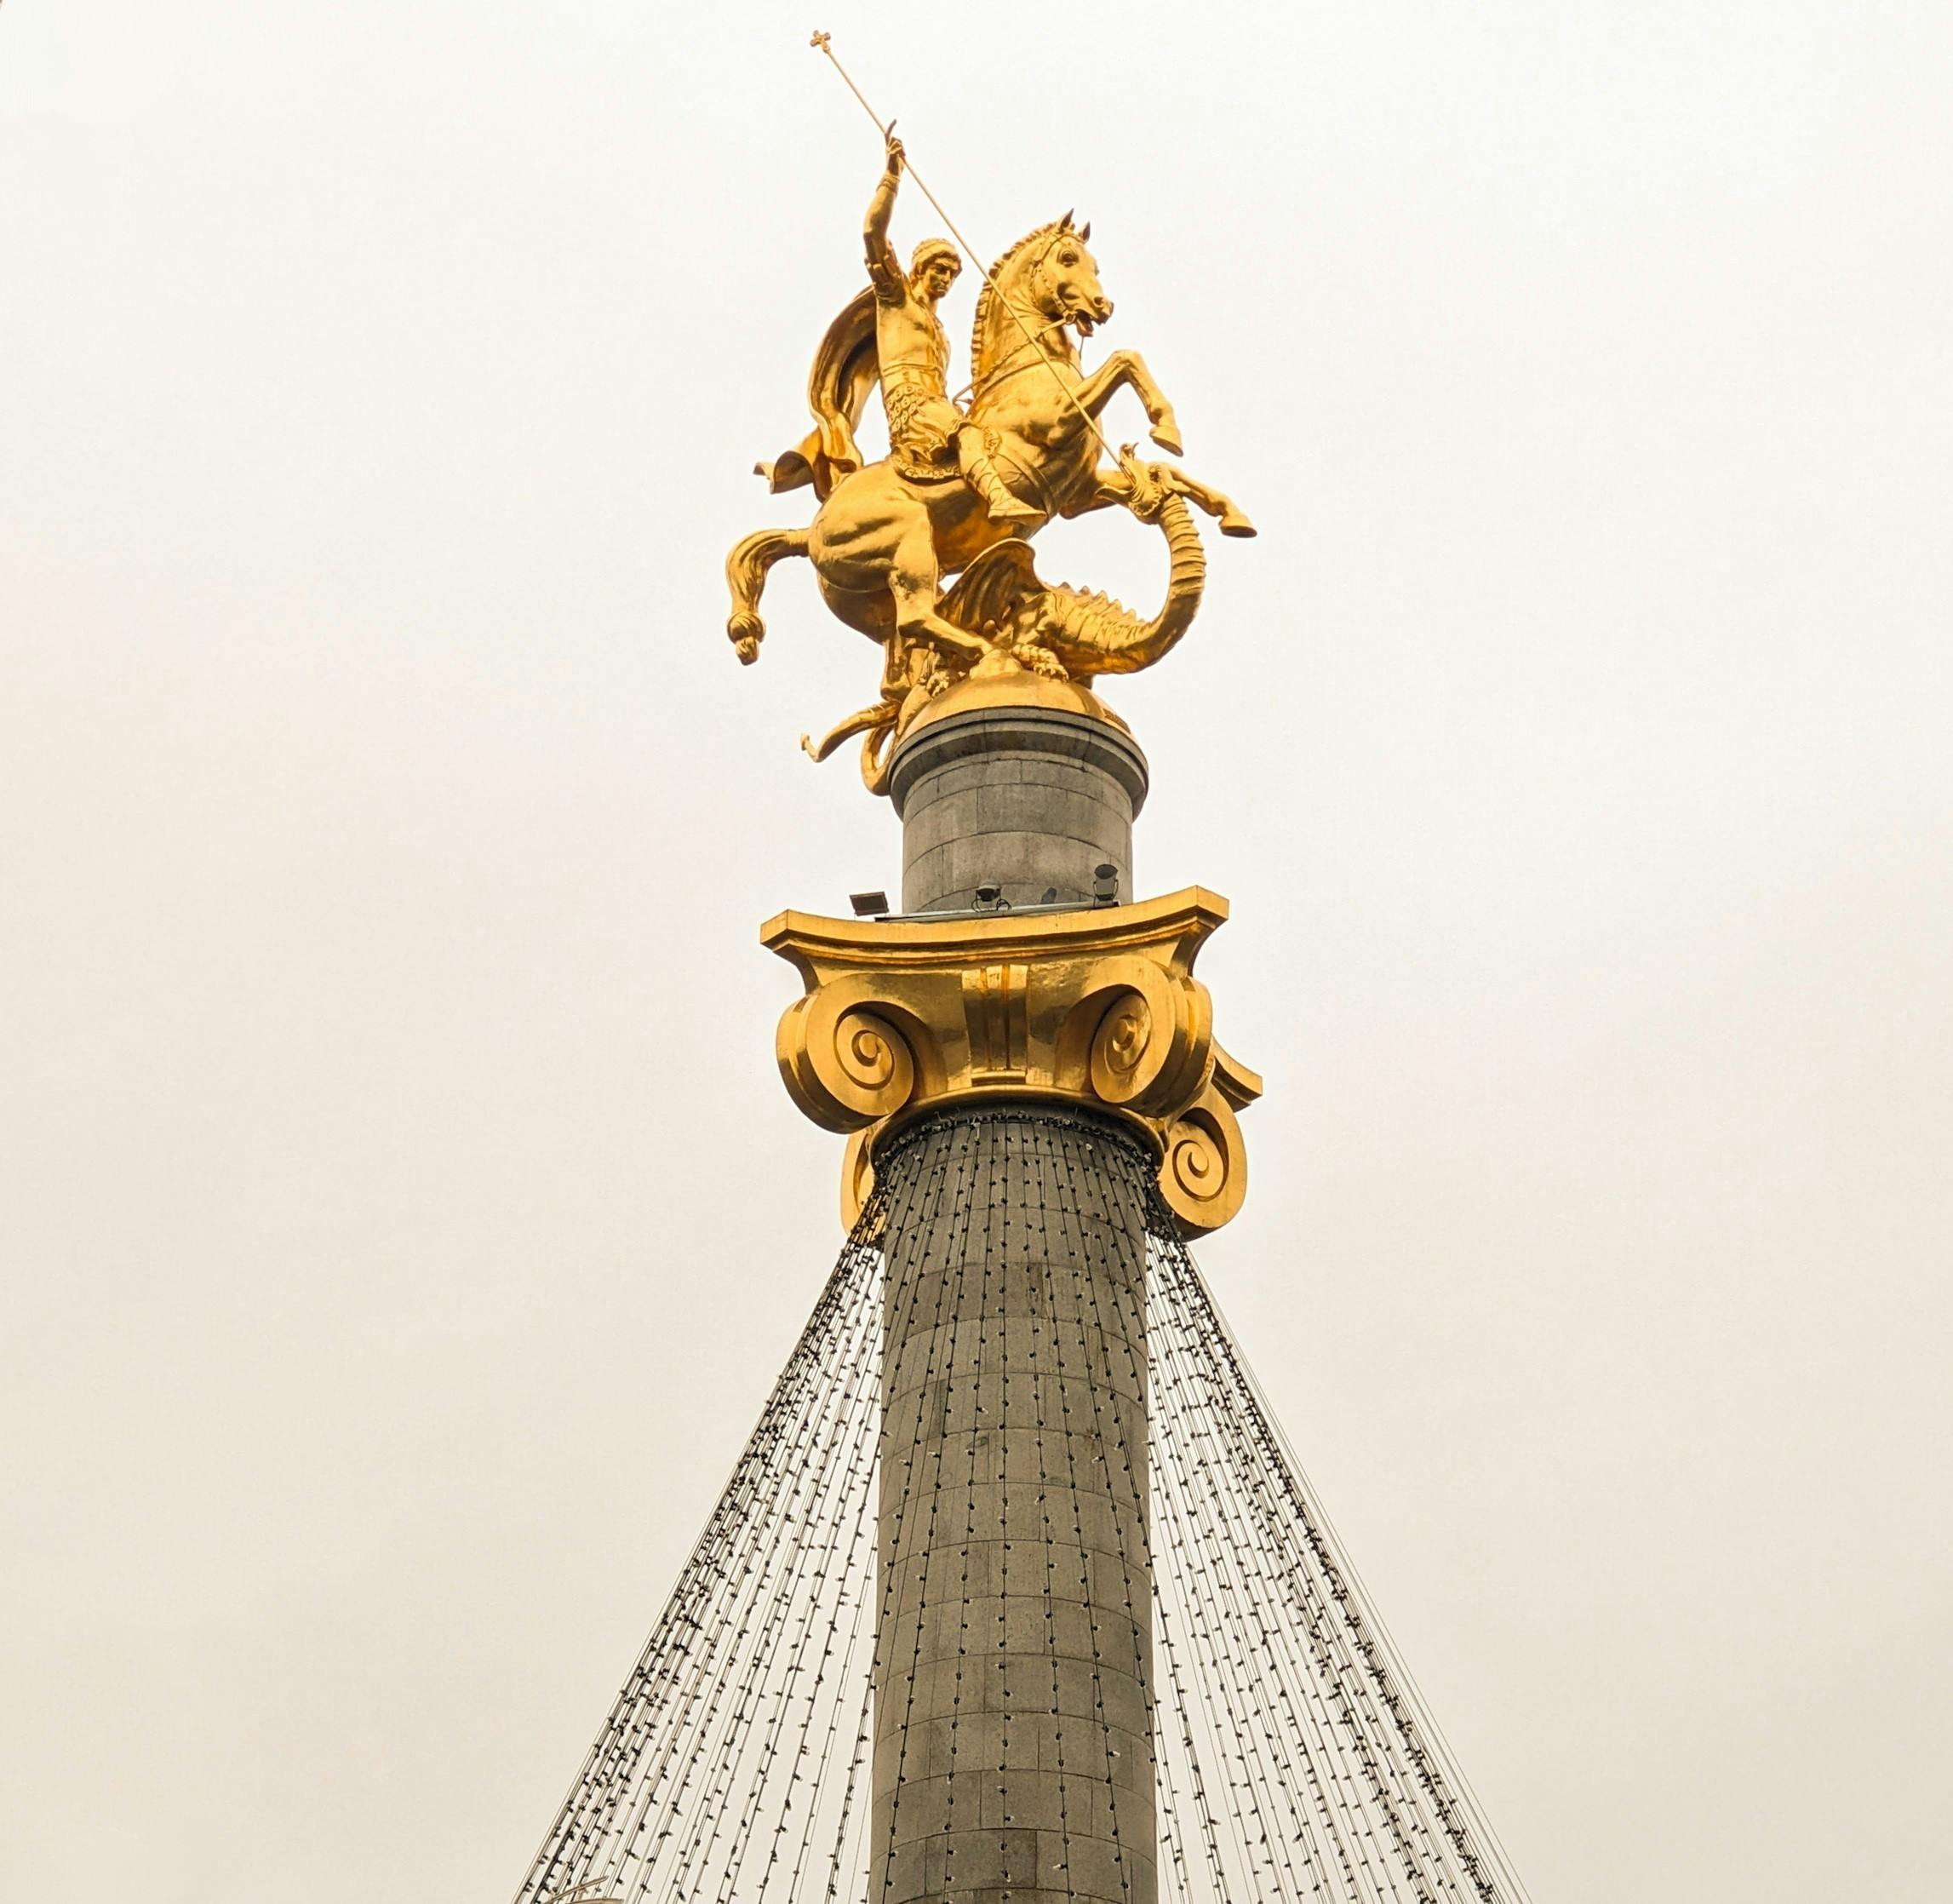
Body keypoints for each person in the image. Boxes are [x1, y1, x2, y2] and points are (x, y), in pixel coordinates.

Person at [864, 132, 1038, 523]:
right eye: (939, 269)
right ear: (919, 269)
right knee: (968, 434)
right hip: (911, 408)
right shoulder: (896, 300)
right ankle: (1000, 499)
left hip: (937, 404)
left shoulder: (941, 332)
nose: (946, 278)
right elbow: (872, 235)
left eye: (952, 273)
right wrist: (891, 178)